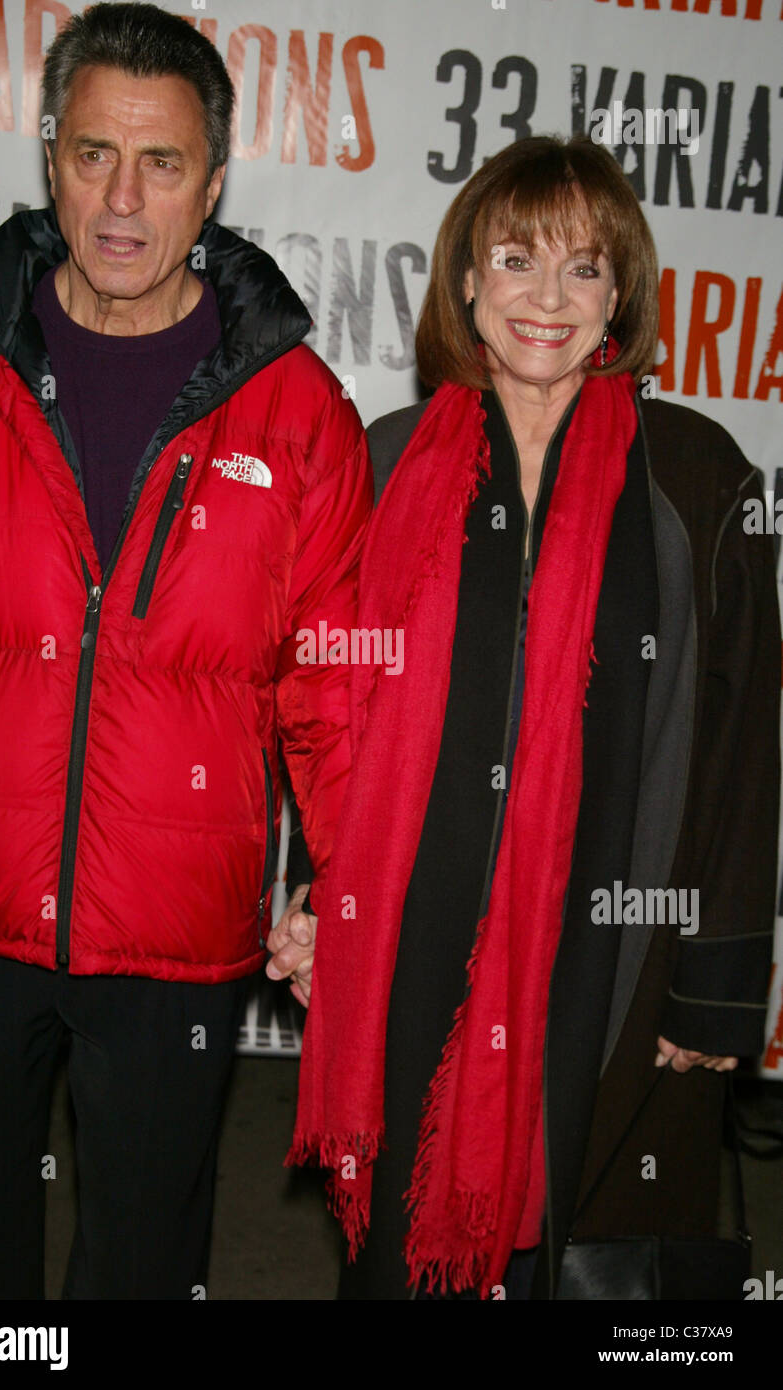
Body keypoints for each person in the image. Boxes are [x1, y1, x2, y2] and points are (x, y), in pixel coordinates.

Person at [272, 134, 780, 1300]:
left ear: (621, 294)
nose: (546, 299)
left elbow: (744, 747)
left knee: (595, 1260)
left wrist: (713, 983)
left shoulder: (700, 480)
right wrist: (322, 897)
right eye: (514, 259)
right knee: (408, 1247)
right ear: (463, 279)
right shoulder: (387, 462)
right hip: (418, 939)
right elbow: (331, 706)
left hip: (619, 947)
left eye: (583, 268)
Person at [0, 2, 371, 1299]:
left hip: (172, 932)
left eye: (161, 162)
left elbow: (331, 685)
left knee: (144, 1253)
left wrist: (345, 894)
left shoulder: (294, 413)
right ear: (49, 160)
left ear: (212, 182)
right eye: (92, 155)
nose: (123, 198)